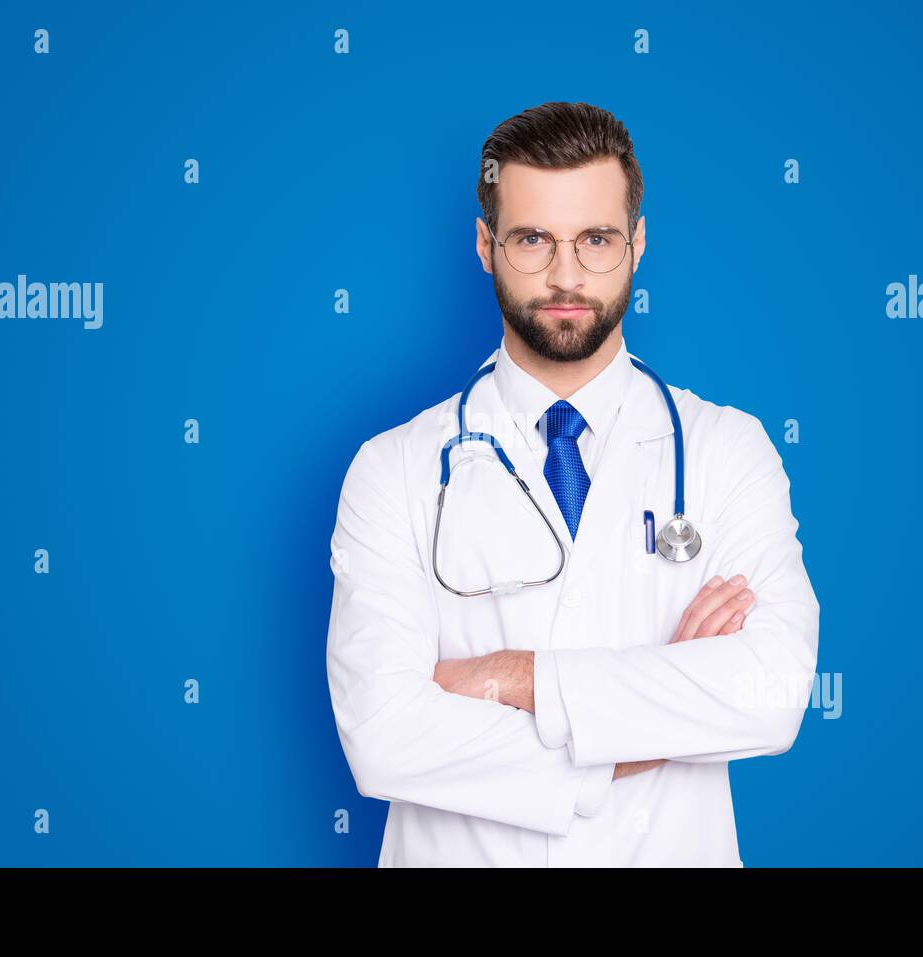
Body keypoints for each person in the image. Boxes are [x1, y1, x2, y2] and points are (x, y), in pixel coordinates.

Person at [325, 101, 820, 867]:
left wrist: (510, 676)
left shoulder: (728, 451)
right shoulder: (393, 470)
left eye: (595, 239)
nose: (566, 275)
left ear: (638, 243)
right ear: (486, 246)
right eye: (532, 239)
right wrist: (659, 716)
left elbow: (771, 692)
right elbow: (384, 736)